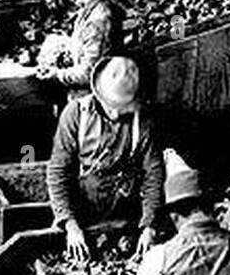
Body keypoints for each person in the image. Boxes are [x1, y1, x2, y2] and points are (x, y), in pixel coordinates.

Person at [46, 56, 162, 262]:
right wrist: (70, 224)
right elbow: (58, 172)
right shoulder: (75, 114)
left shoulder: (143, 122)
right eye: (112, 105)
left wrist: (149, 225)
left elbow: (153, 175)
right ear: (98, 94)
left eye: (123, 106)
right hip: (82, 215)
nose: (117, 114)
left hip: (124, 217)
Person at [36, 0, 124, 98]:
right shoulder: (89, 9)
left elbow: (89, 73)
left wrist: (57, 75)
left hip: (93, 98)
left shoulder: (98, 20)